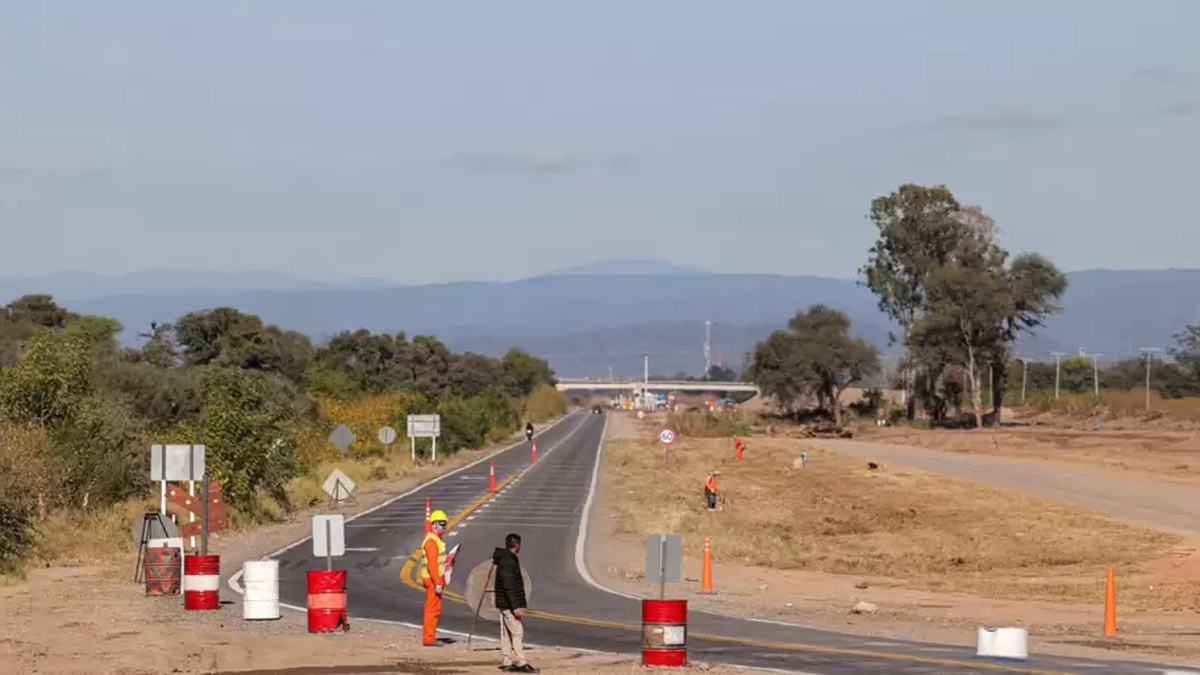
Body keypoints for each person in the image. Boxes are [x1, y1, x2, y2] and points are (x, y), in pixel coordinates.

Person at [493, 533, 537, 673]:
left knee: (507, 633)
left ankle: (507, 661)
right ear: (517, 544)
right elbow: (509, 586)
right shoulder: (508, 562)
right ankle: (520, 662)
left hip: (504, 603)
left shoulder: (506, 559)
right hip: (508, 604)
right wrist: (515, 607)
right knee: (517, 632)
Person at [418, 509, 449, 646]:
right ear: (434, 524)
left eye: (445, 524)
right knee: (432, 609)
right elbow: (432, 564)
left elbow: (439, 561)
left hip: (436, 579)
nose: (444, 527)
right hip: (432, 580)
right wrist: (437, 583)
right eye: (442, 524)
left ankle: (431, 636)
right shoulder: (431, 541)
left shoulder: (436, 539)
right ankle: (428, 638)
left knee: (435, 608)